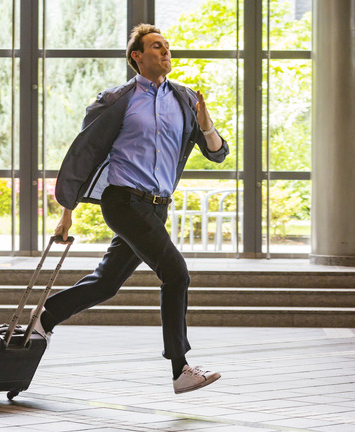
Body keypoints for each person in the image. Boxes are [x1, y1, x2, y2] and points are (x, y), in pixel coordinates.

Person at [34, 24, 229, 394]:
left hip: (157, 208)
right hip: (123, 202)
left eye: (168, 46)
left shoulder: (186, 99)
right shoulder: (117, 99)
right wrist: (66, 211)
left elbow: (218, 153)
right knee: (177, 274)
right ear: (137, 56)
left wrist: (206, 126)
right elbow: (85, 152)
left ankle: (47, 315)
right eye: (157, 46)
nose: (166, 51)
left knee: (107, 283)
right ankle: (180, 368)